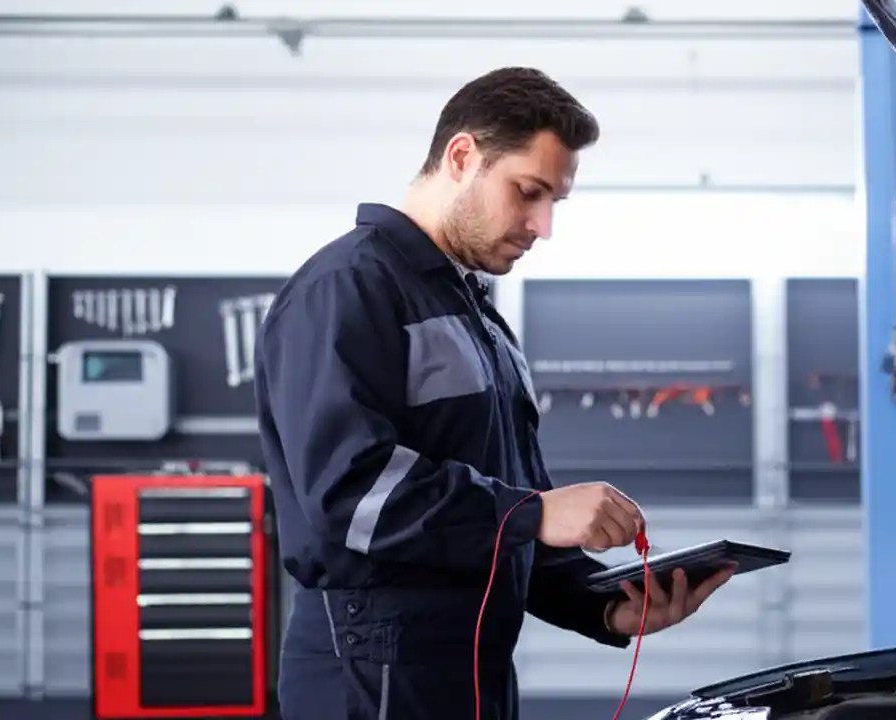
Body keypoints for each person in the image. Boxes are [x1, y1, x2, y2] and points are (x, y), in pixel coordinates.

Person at [254, 66, 735, 720]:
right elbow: (350, 496)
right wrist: (534, 514)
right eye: (528, 192)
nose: (542, 225)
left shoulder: (479, 319)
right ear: (462, 157)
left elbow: (505, 513)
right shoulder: (346, 289)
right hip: (372, 674)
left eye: (555, 201)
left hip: (472, 670)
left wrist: (601, 605)